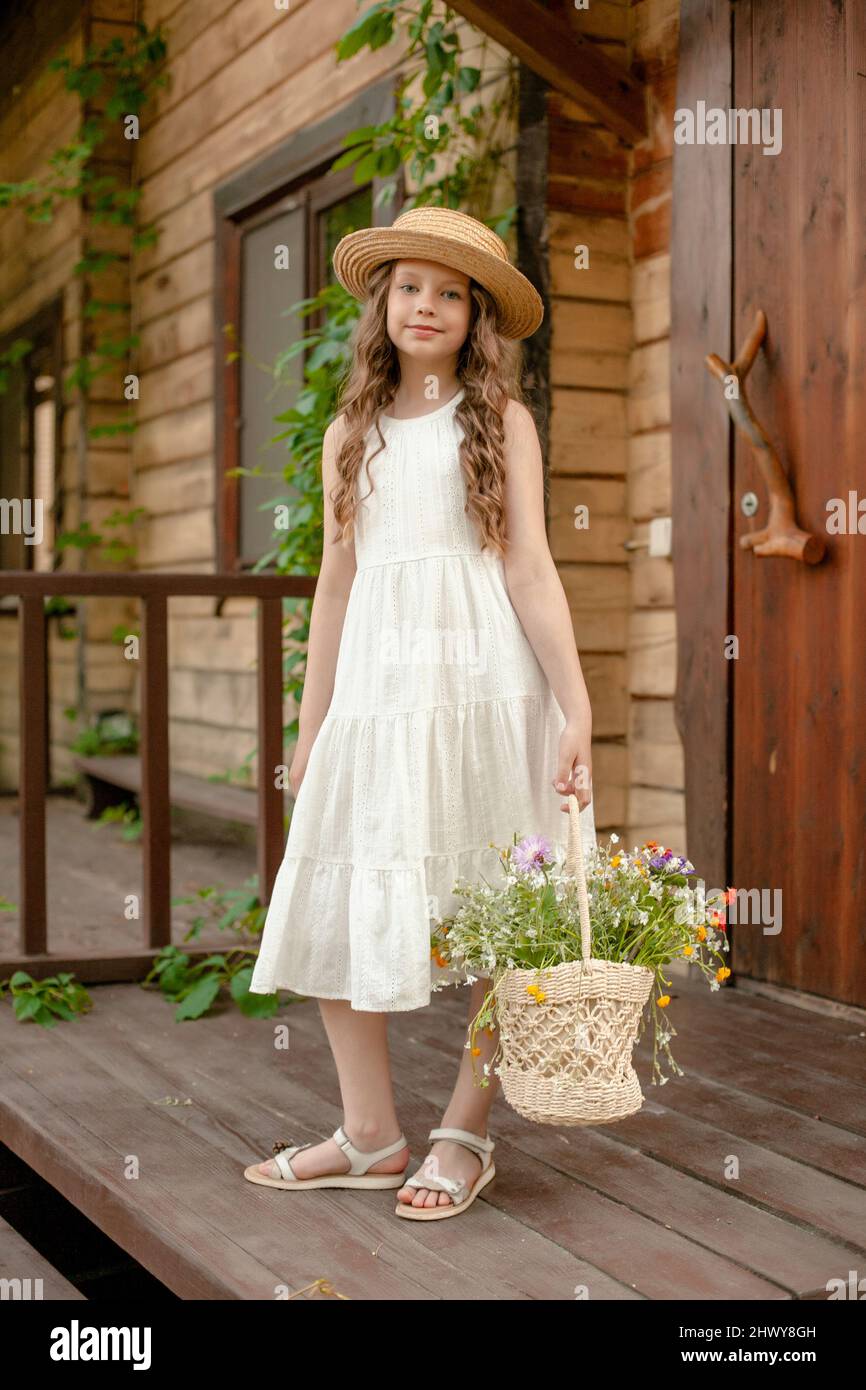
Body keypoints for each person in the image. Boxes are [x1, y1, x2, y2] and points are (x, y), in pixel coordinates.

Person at [243, 206, 596, 1220]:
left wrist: (573, 708)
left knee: (496, 906)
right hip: (377, 695)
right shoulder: (349, 432)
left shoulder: (500, 424)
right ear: (381, 305)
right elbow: (337, 585)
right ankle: (368, 1131)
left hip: (484, 687)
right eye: (408, 287)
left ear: (474, 315)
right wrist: (309, 733)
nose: (427, 305)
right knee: (334, 886)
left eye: (449, 292)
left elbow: (529, 567)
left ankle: (463, 1129)